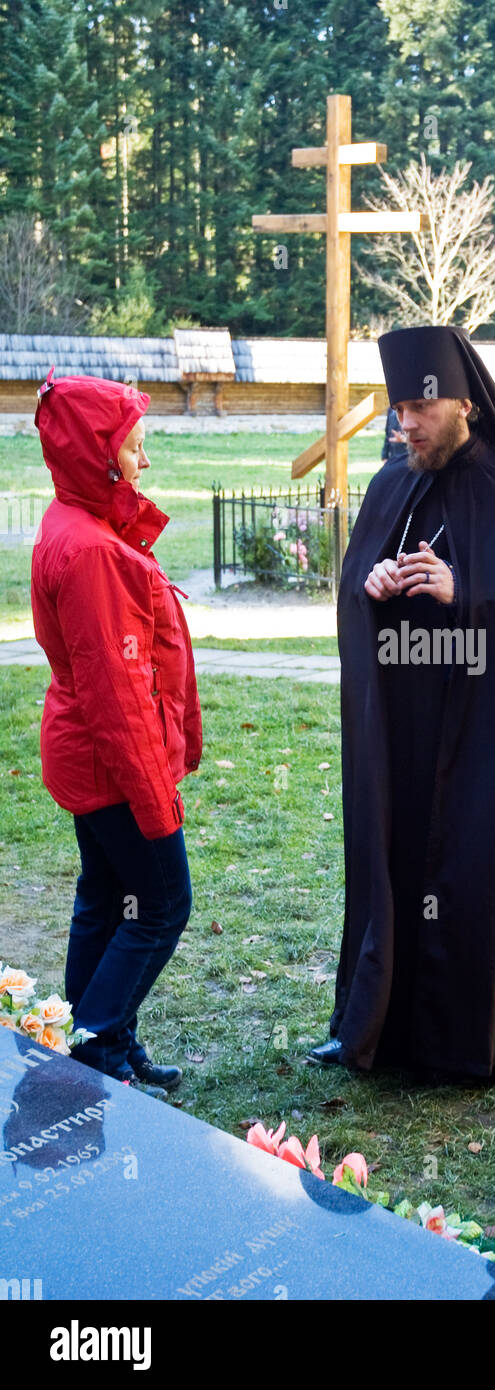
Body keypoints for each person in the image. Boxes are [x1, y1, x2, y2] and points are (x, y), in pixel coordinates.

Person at [308, 324, 495, 1076]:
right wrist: (370, 591)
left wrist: (466, 595)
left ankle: (481, 1036)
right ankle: (382, 1024)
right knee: (392, 863)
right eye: (398, 408)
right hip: (402, 735)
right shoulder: (389, 487)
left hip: (485, 741)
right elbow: (353, 600)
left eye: (419, 408)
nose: (405, 423)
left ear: (464, 402)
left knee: (475, 871)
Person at [31, 369, 202, 1100]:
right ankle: (96, 1040)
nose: (145, 461)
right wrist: (153, 797)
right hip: (111, 766)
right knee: (162, 902)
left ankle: (106, 1037)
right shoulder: (95, 552)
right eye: (135, 448)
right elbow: (118, 698)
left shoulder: (78, 521)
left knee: (107, 898)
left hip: (86, 759)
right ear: (99, 455)